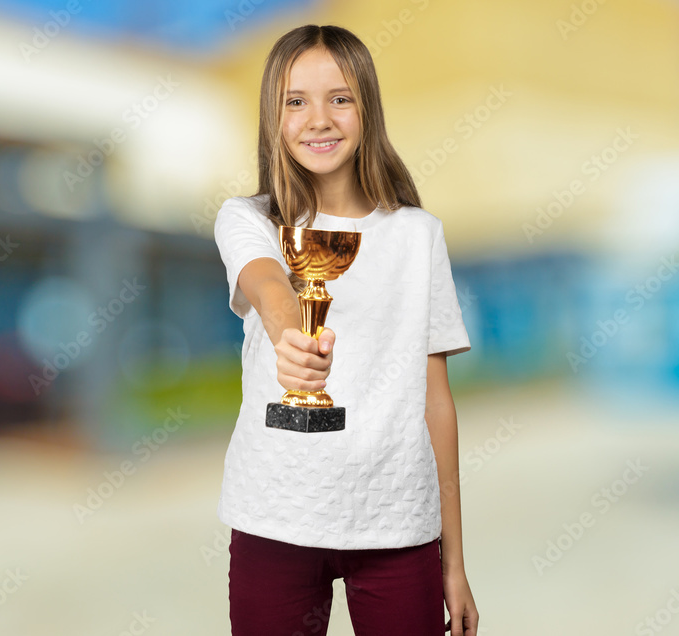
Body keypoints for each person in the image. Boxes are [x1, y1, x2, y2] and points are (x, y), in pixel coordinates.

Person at [212, 24, 479, 636]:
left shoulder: (419, 235)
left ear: (367, 109)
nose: (319, 119)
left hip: (398, 524)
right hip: (274, 514)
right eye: (295, 101)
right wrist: (291, 339)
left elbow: (437, 403)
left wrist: (454, 562)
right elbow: (267, 283)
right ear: (272, 118)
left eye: (341, 97)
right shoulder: (249, 218)